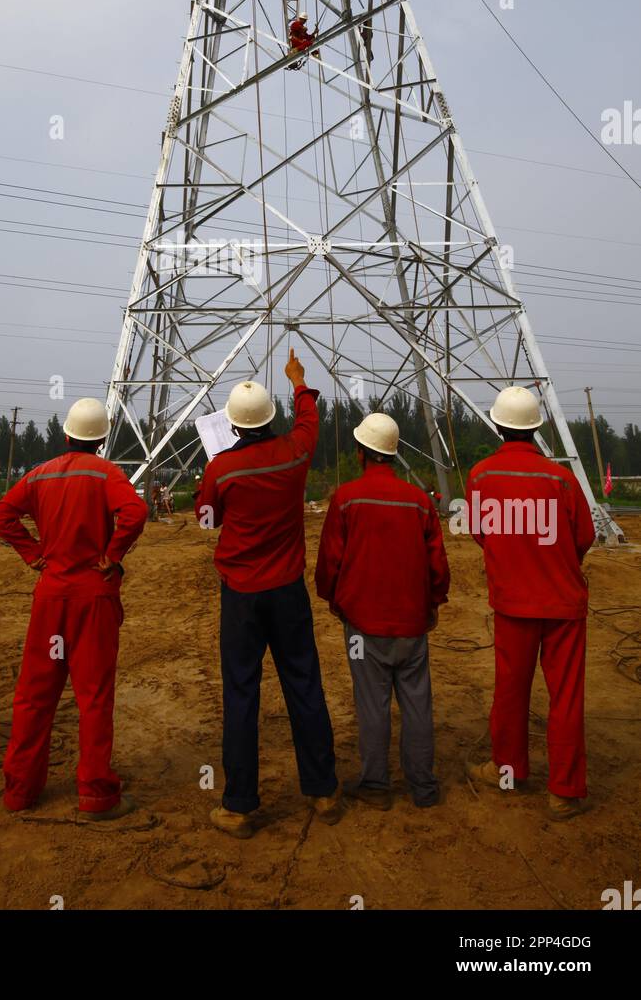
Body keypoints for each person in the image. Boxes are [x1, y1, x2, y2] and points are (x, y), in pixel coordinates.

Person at [195, 348, 340, 838]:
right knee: (304, 685)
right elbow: (309, 419)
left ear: (233, 426)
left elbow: (207, 519)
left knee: (241, 694)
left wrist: (214, 487)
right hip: (287, 592)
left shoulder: (221, 469)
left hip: (241, 595)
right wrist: (298, 379)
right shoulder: (295, 452)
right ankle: (323, 792)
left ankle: (239, 806)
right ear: (270, 418)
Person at [0, 397, 147, 819]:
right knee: (93, 697)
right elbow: (135, 511)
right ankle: (95, 795)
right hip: (92, 597)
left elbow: (1, 515)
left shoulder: (40, 475)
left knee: (34, 695)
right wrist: (113, 553)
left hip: (50, 596)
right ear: (102, 439)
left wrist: (31, 552)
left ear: (66, 435)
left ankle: (19, 791)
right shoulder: (106, 473)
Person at [465, 386, 595, 820]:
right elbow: (584, 537)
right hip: (563, 604)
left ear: (499, 426)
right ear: (536, 428)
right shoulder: (561, 478)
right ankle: (564, 791)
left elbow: (483, 534)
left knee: (511, 691)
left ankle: (509, 774)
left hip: (514, 605)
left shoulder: (482, 476)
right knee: (566, 697)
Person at [316, 413, 449, 810]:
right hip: (412, 623)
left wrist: (335, 601)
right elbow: (437, 565)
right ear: (391, 454)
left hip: (362, 627)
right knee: (417, 702)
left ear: (360, 453)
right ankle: (423, 787)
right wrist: (433, 603)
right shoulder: (420, 502)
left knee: (372, 702)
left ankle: (376, 785)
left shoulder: (345, 499)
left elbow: (329, 563)